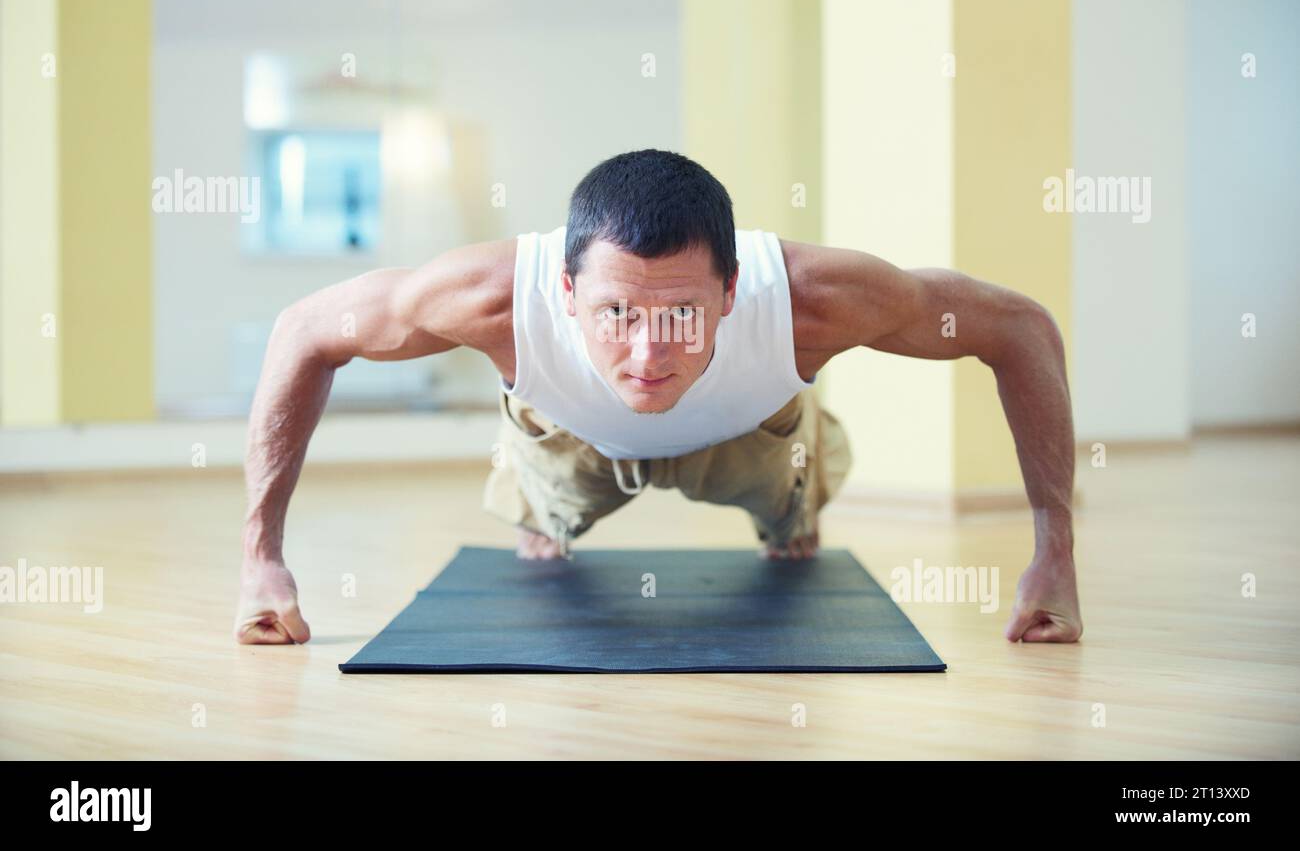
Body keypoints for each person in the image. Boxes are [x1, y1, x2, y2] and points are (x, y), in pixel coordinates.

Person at [234, 149, 1082, 646]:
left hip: (749, 441)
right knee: (545, 491)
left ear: (732, 288)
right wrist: (260, 556)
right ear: (566, 293)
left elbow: (1023, 330)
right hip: (571, 441)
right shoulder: (493, 297)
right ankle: (543, 508)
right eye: (614, 315)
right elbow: (303, 332)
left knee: (794, 476)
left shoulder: (813, 298)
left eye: (681, 312)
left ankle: (791, 505)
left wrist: (1055, 550)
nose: (647, 353)